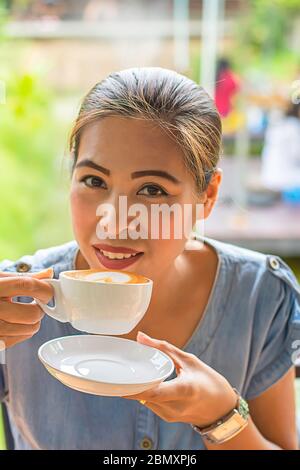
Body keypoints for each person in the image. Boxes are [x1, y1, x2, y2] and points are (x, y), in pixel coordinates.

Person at [0, 68, 299, 450]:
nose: (114, 222)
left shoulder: (261, 297)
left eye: (152, 189)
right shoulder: (12, 302)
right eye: (94, 181)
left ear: (206, 196)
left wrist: (222, 418)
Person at [261, 102, 300, 194]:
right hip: (284, 178)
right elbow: (297, 154)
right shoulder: (294, 126)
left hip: (267, 176)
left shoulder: (281, 124)